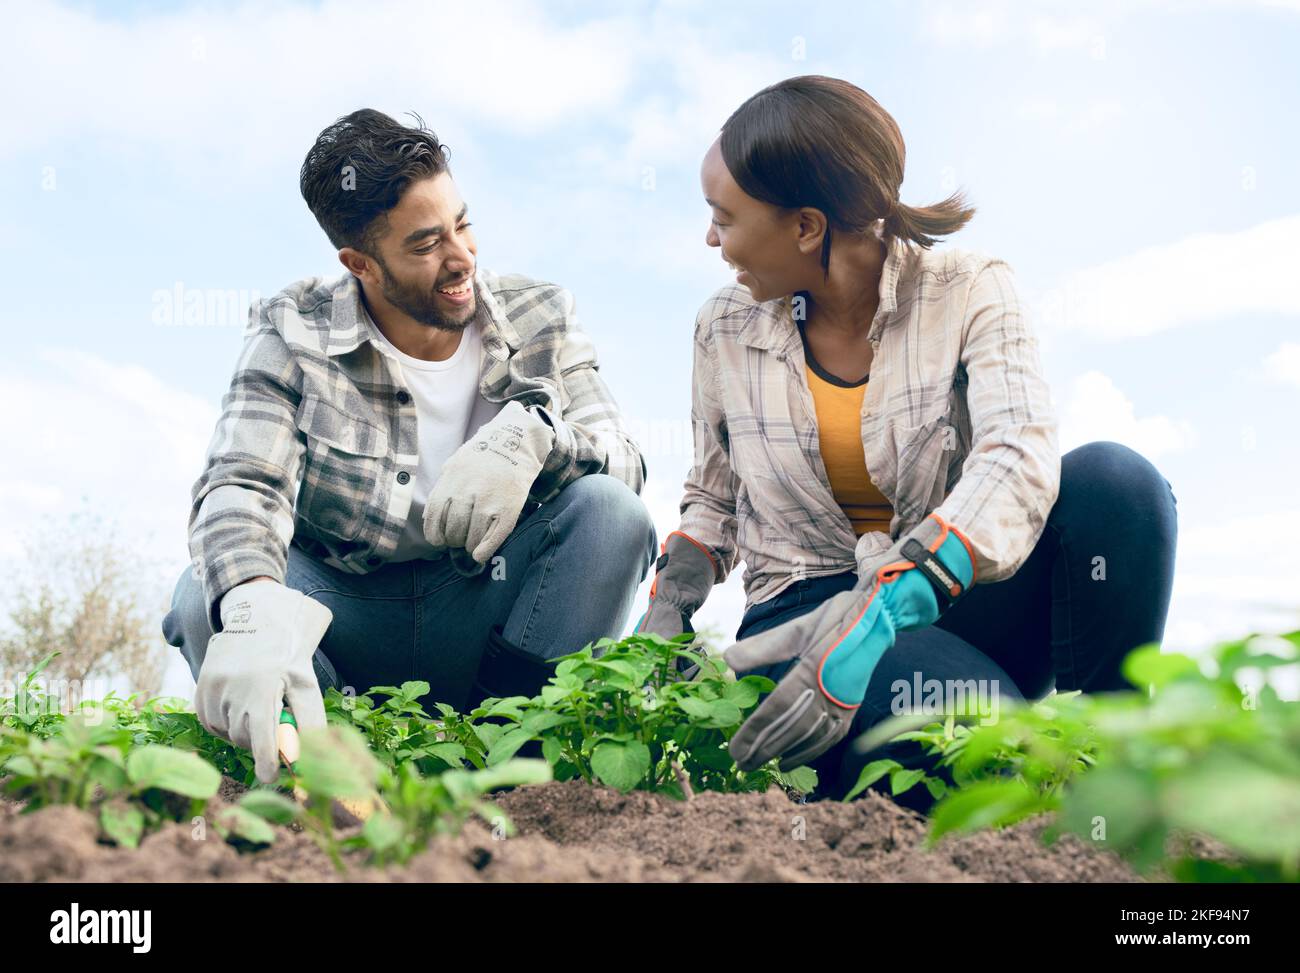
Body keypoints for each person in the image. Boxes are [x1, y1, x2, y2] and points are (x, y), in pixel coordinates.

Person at [635, 76, 1177, 812]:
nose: (710, 238)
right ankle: (994, 743)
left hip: (944, 598)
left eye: (723, 217)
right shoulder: (724, 328)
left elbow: (1018, 453)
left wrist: (897, 597)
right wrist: (661, 619)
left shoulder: (969, 287)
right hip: (805, 614)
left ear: (805, 226)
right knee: (999, 767)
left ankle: (1113, 769)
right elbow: (712, 498)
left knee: (1120, 484)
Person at [162, 109, 656, 785]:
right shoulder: (292, 329)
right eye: (426, 245)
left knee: (609, 513)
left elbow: (624, 460)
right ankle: (329, 779)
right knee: (208, 596)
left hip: (483, 607)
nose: (462, 259)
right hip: (344, 613)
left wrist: (537, 439)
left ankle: (512, 776)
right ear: (360, 263)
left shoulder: (541, 314)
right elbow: (243, 484)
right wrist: (249, 602)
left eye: (462, 223)